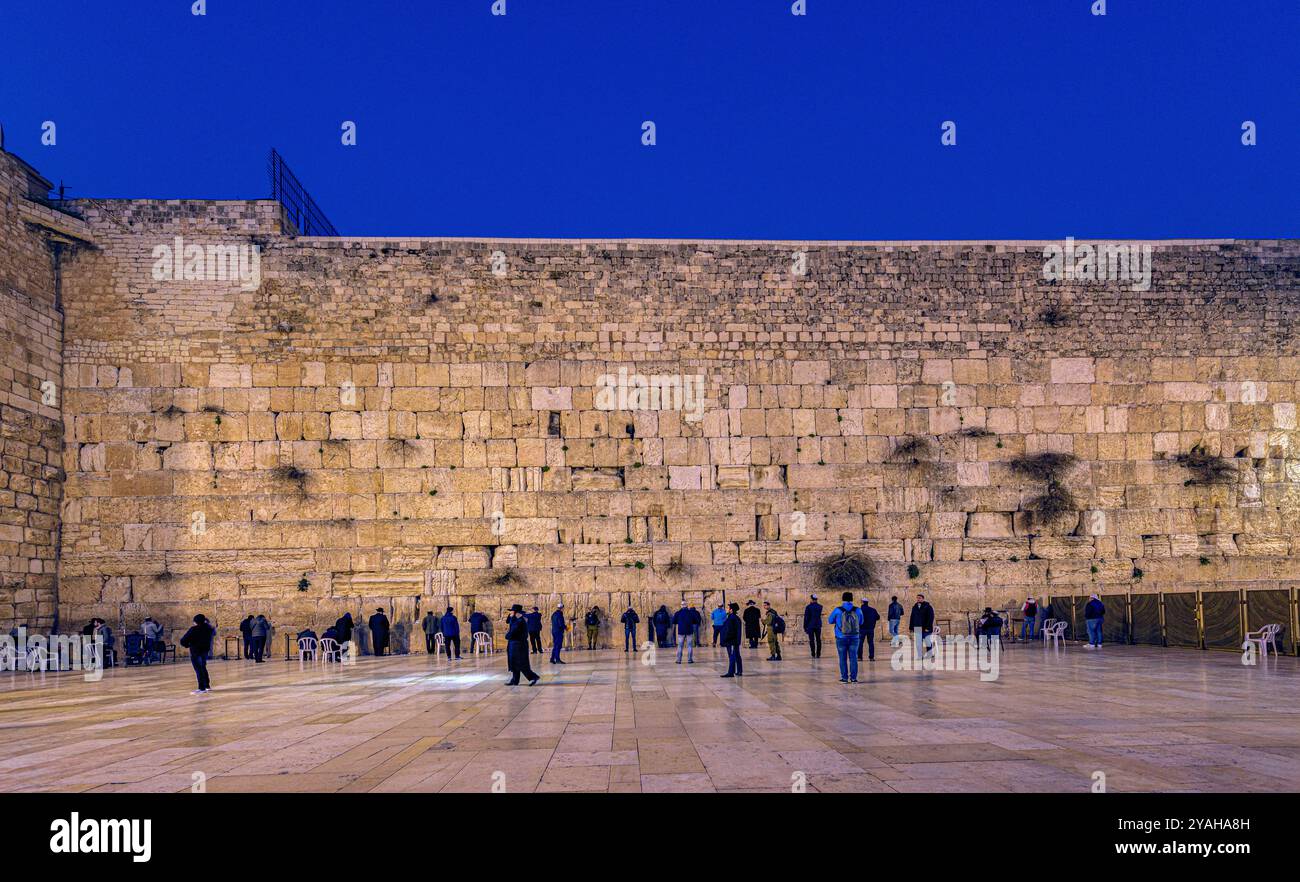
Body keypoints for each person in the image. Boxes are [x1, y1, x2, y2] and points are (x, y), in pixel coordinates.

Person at [827, 592, 864, 683]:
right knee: (853, 658)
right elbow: (861, 622)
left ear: (842, 599)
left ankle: (844, 678)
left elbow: (830, 620)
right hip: (854, 637)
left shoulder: (837, 610)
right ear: (852, 599)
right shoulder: (858, 610)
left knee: (842, 658)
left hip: (841, 637)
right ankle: (854, 678)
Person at [504, 605, 540, 686]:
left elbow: (513, 632)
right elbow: (508, 621)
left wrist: (507, 636)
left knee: (521, 663)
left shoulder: (519, 621)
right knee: (514, 662)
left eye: (512, 611)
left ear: (516, 612)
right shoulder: (516, 620)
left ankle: (533, 677)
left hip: (518, 645)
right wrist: (511, 617)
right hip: (515, 644)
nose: (510, 612)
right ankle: (515, 680)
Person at [179, 614, 215, 694]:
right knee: (203, 667)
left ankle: (201, 688)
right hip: (205, 651)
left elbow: (183, 641)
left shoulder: (193, 629)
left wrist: (187, 645)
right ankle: (207, 686)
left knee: (198, 669)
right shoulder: (208, 629)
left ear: (195, 621)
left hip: (196, 652)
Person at [720, 602, 743, 678]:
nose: (727, 609)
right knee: (737, 655)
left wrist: (725, 639)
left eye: (728, 608)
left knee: (732, 656)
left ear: (731, 610)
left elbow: (729, 631)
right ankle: (739, 671)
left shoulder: (732, 618)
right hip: (735, 640)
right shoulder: (735, 618)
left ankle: (730, 672)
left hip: (732, 641)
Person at [857, 597, 880, 661]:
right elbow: (878, 617)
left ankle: (859, 657)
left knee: (860, 642)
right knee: (870, 643)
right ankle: (871, 657)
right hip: (870, 629)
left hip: (862, 629)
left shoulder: (859, 610)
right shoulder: (873, 610)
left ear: (862, 602)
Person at [803, 594, 824, 658]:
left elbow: (806, 618)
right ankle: (818, 654)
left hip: (810, 625)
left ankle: (813, 653)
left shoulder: (808, 607)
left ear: (811, 599)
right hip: (818, 625)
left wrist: (805, 626)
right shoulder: (820, 606)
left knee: (811, 640)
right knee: (818, 640)